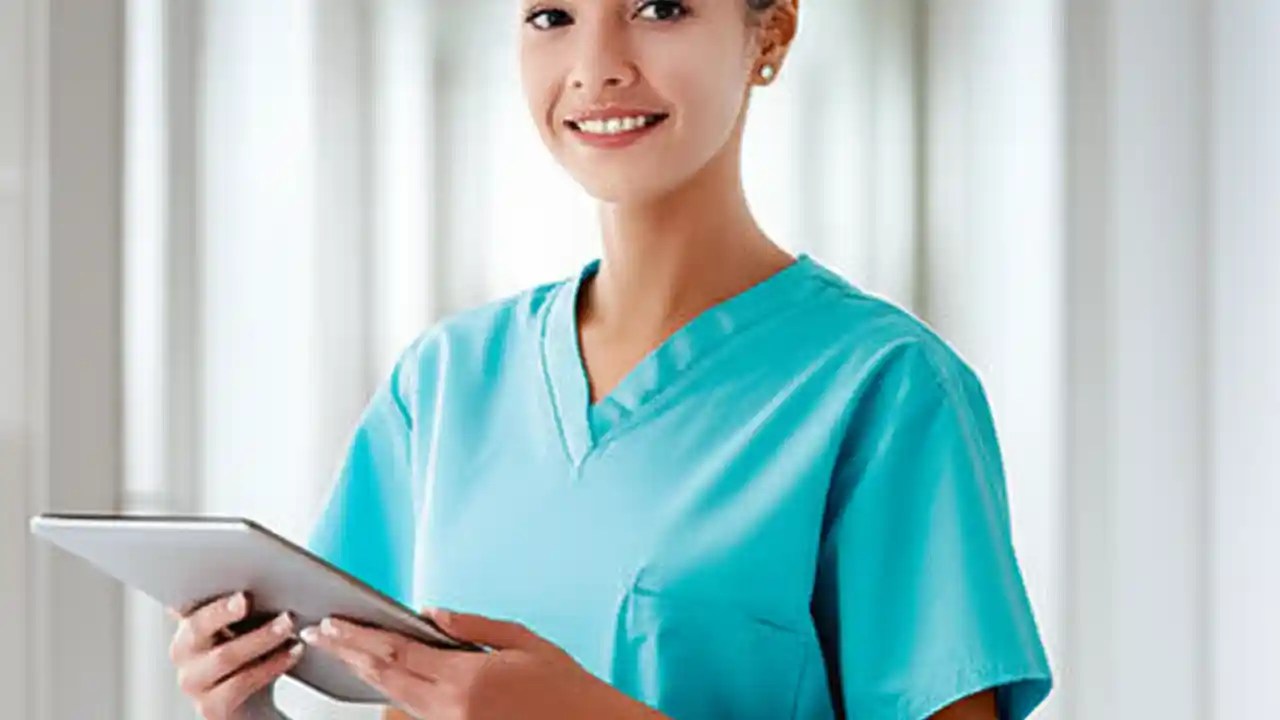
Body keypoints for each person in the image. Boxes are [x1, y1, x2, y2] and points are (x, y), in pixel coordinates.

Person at [167, 1, 1052, 718]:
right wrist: (247, 713)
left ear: (769, 33)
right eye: (552, 16)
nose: (597, 65)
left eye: (660, 8)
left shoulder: (883, 387)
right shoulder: (443, 381)